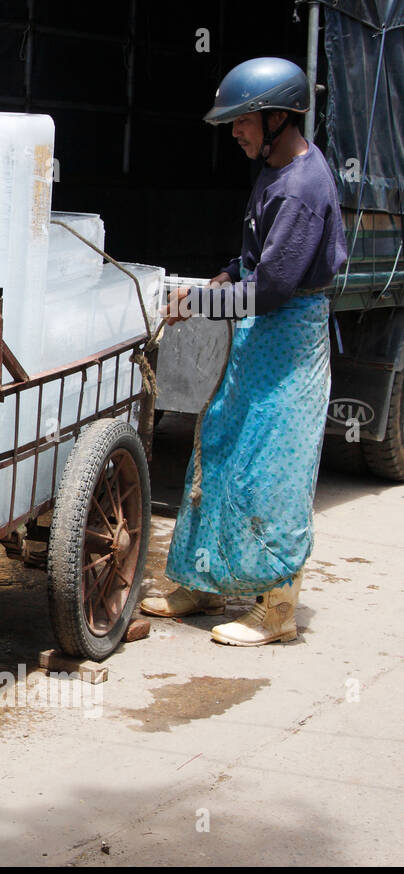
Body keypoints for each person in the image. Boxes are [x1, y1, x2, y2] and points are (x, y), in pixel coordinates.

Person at [139, 57, 347, 646]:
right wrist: (229, 272)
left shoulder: (302, 188)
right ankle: (203, 582)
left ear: (279, 118)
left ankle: (276, 608)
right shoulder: (274, 170)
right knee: (221, 446)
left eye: (243, 121)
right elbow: (257, 258)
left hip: (288, 339)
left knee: (272, 467)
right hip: (259, 335)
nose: (235, 132)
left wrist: (200, 302)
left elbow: (274, 290)